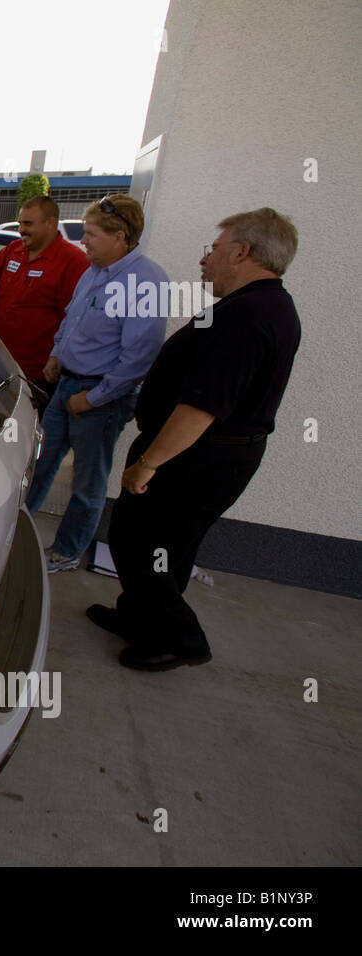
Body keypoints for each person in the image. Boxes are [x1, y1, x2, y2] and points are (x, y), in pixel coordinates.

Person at [89, 208, 302, 671]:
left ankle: (180, 639)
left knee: (142, 545)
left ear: (242, 252)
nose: (205, 260)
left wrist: (148, 463)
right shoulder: (263, 305)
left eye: (215, 249)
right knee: (167, 546)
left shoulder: (247, 317)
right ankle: (140, 617)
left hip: (195, 460)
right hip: (208, 457)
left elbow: (202, 407)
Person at [25, 194, 167, 572]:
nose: (82, 241)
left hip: (100, 396)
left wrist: (94, 398)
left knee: (87, 484)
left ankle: (67, 551)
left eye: (90, 234)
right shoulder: (96, 270)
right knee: (38, 464)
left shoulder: (145, 281)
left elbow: (139, 356)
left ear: (120, 236)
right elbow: (71, 321)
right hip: (68, 385)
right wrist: (56, 354)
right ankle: (15, 534)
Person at [0, 196, 88, 415]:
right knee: (2, 418)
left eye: (28, 224)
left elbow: (76, 321)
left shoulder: (73, 262)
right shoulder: (14, 250)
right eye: (20, 223)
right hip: (2, 361)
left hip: (39, 373)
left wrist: (57, 358)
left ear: (50, 223)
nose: (21, 229)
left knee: (28, 426)